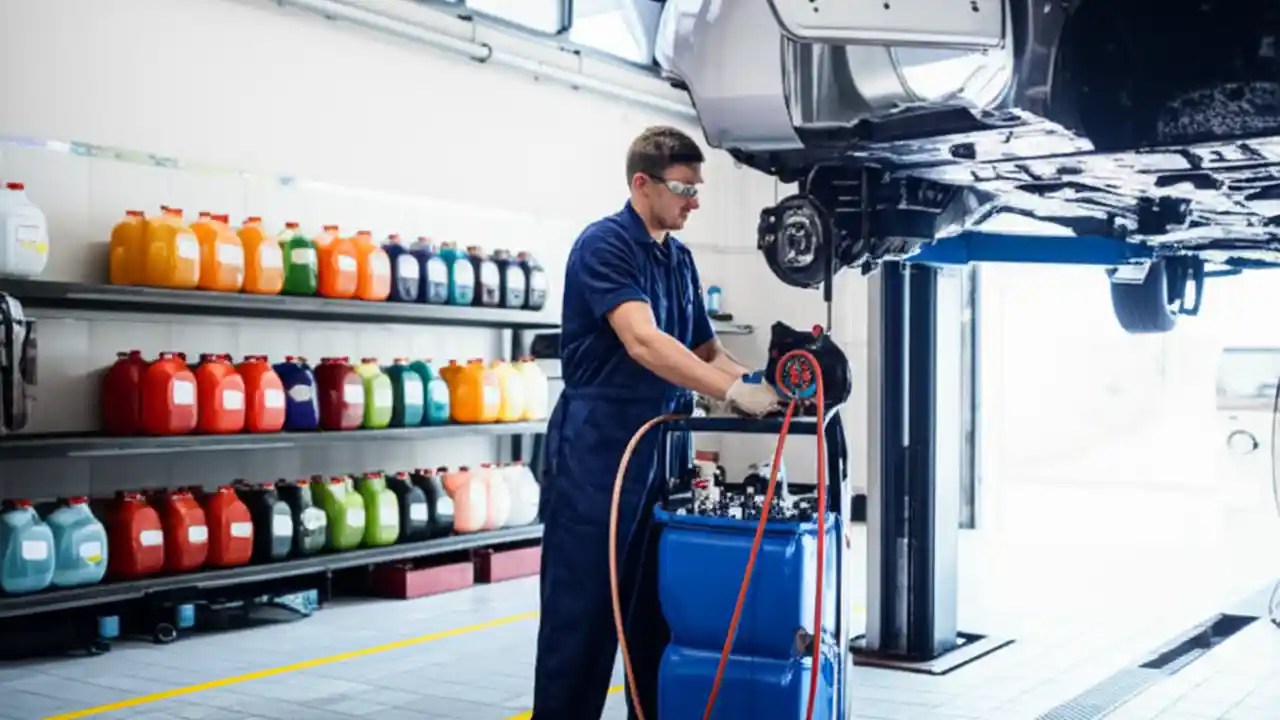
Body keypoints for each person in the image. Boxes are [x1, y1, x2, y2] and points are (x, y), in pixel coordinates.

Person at [531, 126, 782, 720]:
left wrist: (763, 389)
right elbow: (643, 341)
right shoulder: (606, 246)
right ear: (641, 184)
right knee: (586, 618)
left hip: (664, 451)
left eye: (698, 189)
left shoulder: (679, 257)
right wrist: (727, 392)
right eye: (682, 188)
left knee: (657, 616)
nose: (693, 202)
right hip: (601, 454)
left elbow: (706, 352)